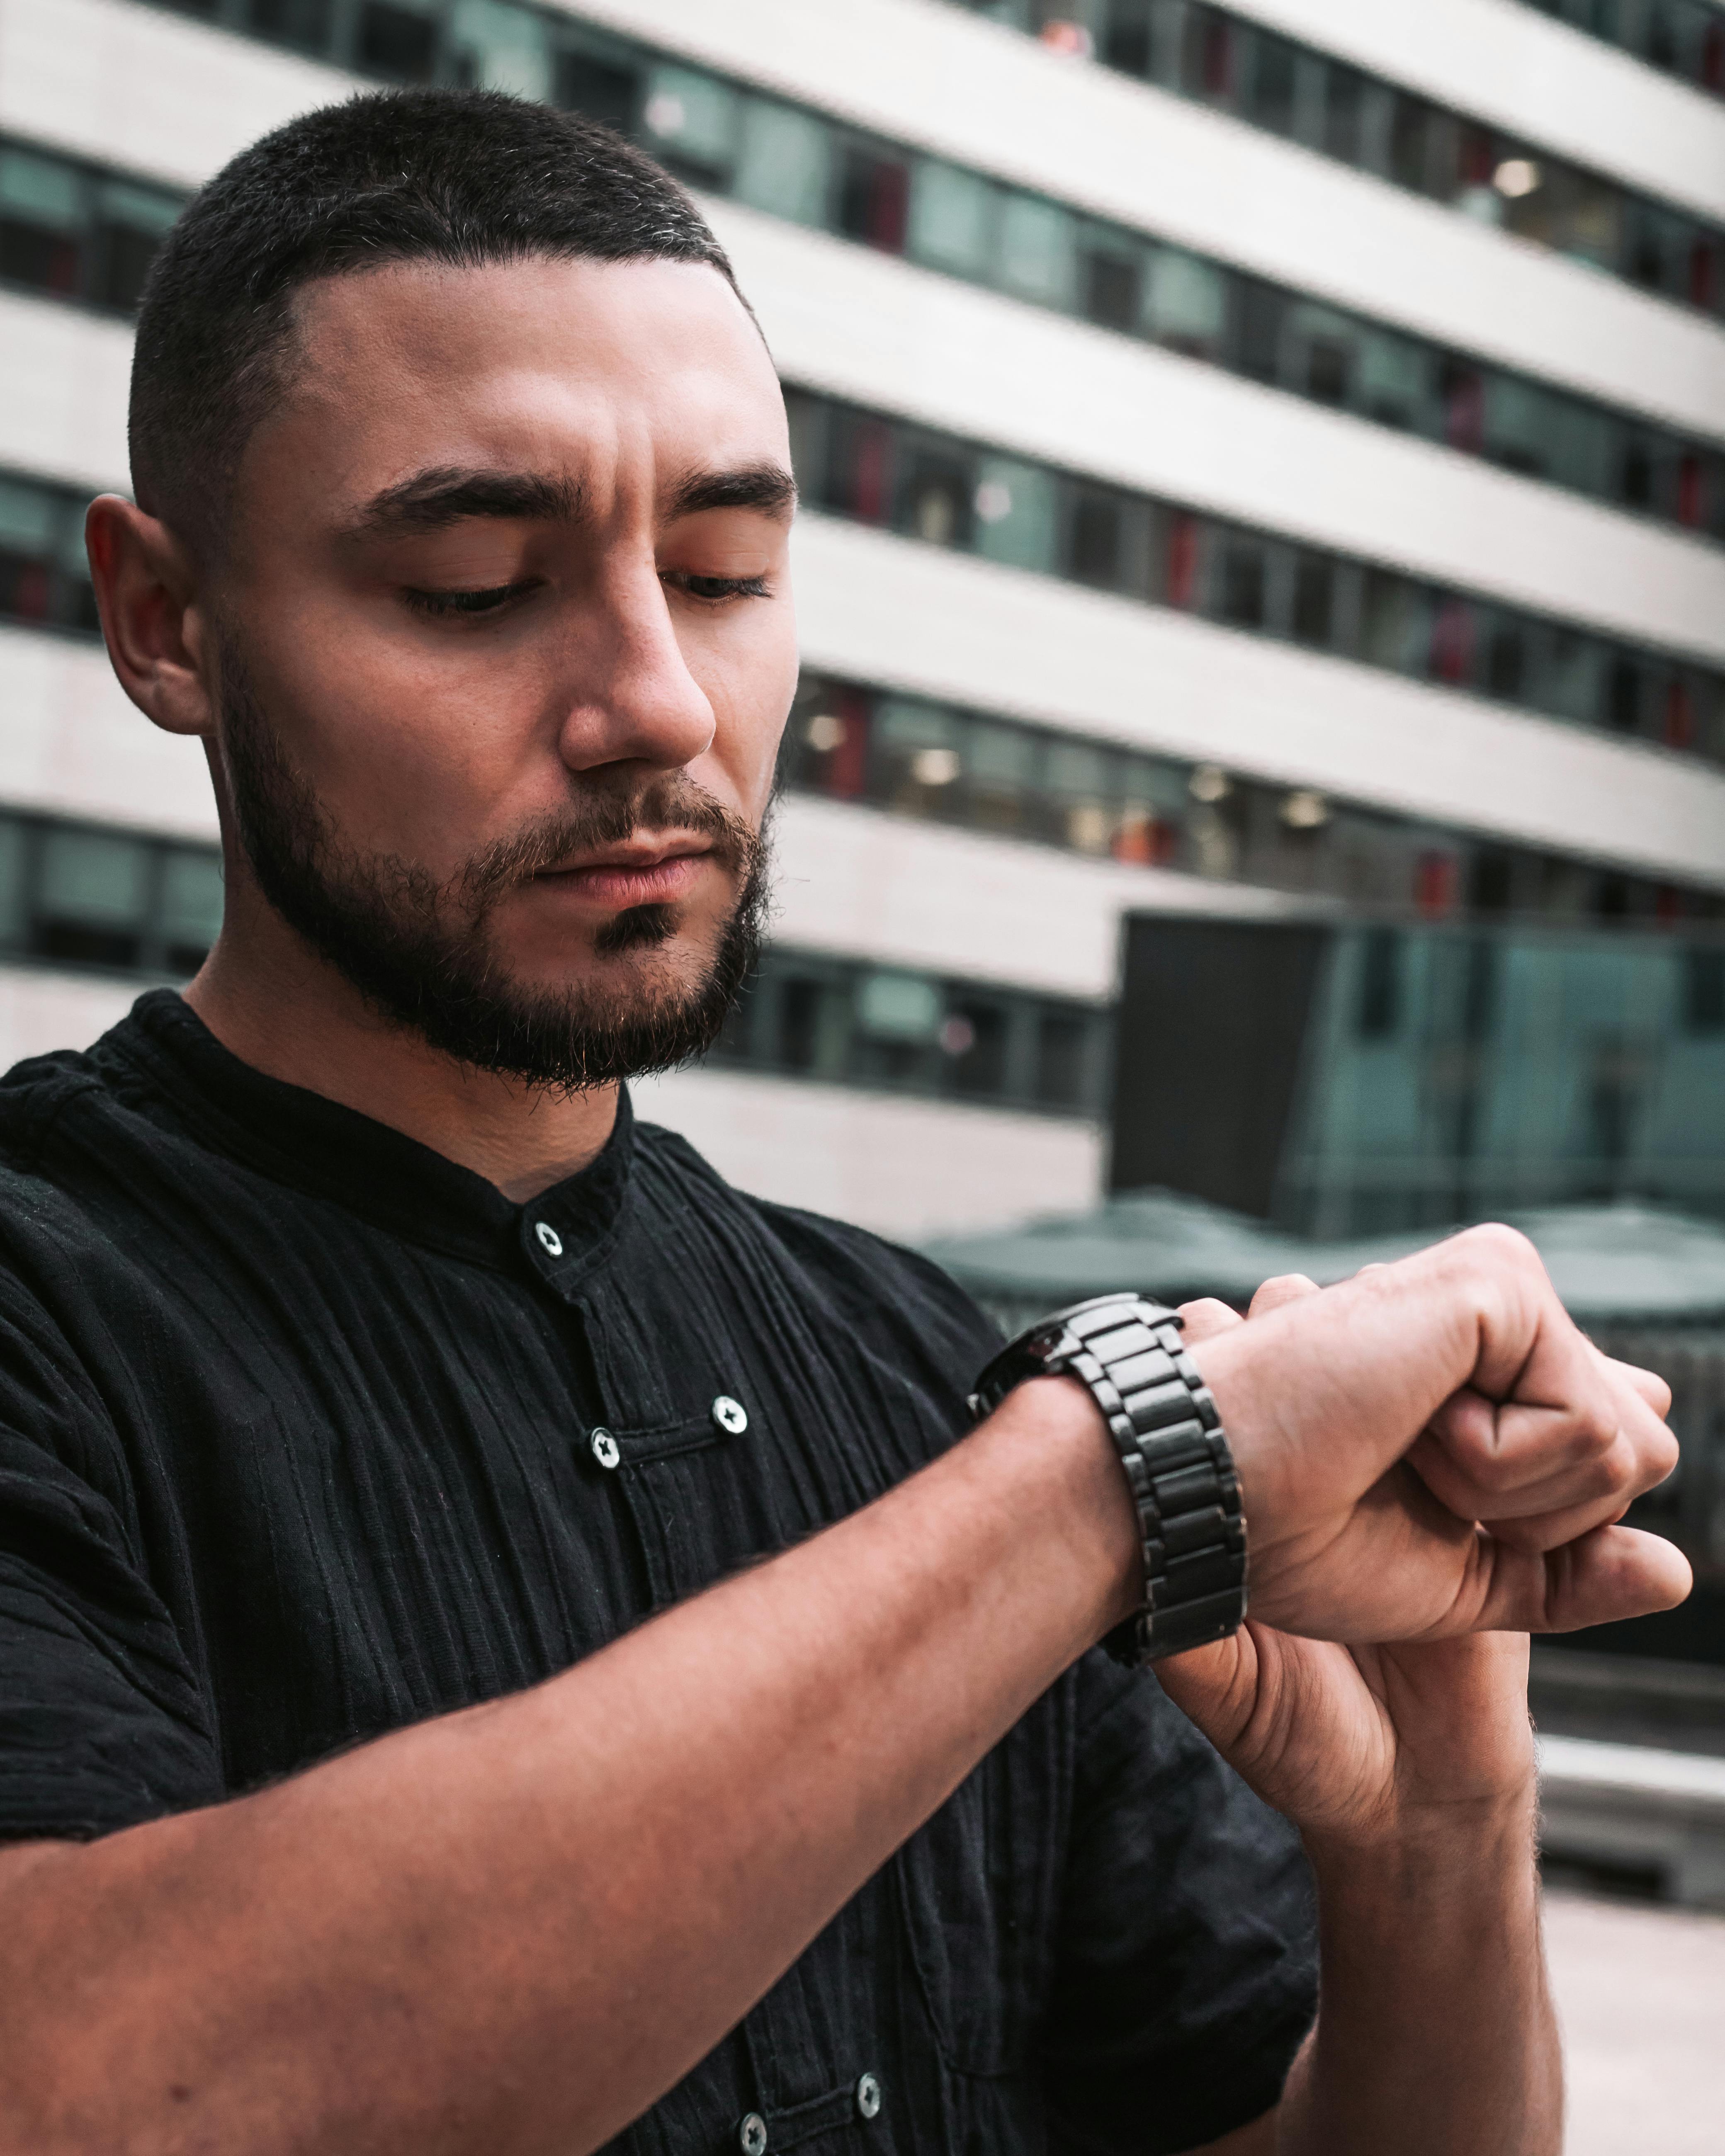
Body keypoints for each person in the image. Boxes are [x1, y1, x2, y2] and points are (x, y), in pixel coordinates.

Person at [0, 89, 1686, 2156]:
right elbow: (89, 2080)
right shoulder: (42, 1305)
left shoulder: (913, 1374)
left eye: (721, 572)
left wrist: (1438, 1805)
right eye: (469, 584)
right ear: (167, 619)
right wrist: (1120, 1479)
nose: (658, 702)